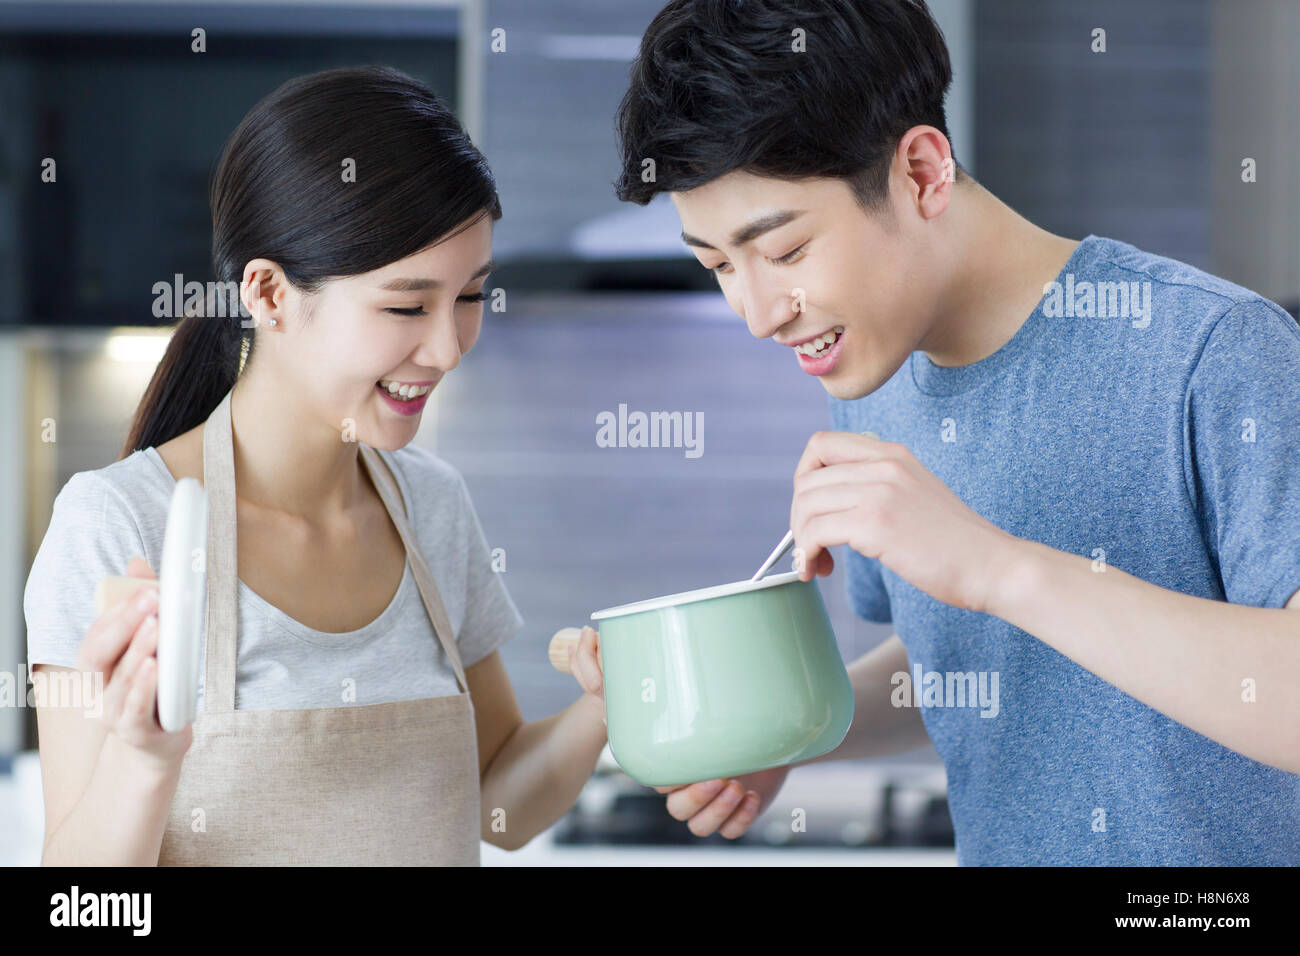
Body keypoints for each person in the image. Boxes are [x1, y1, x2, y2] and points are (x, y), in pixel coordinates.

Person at [602, 0, 1300, 863]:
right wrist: (782, 730)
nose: (754, 313)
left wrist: (994, 567)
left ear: (924, 172)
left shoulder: (1216, 351)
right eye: (715, 266)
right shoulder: (871, 377)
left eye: (782, 252)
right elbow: (966, 664)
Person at [24, 66, 607, 865]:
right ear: (268, 294)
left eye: (471, 296)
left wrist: (608, 705)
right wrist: (142, 758)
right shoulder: (119, 529)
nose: (447, 349)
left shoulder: (433, 505)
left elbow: (497, 806)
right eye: (406, 306)